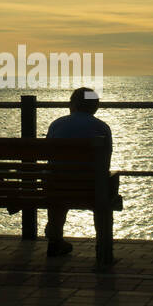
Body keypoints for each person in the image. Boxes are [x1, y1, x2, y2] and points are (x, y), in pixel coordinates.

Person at [44, 87, 117, 257]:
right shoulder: (102, 127)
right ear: (95, 107)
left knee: (58, 187)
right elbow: (105, 163)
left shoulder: (56, 125)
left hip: (57, 188)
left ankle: (55, 240)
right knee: (104, 189)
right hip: (91, 189)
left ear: (73, 105)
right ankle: (102, 245)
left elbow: (49, 159)